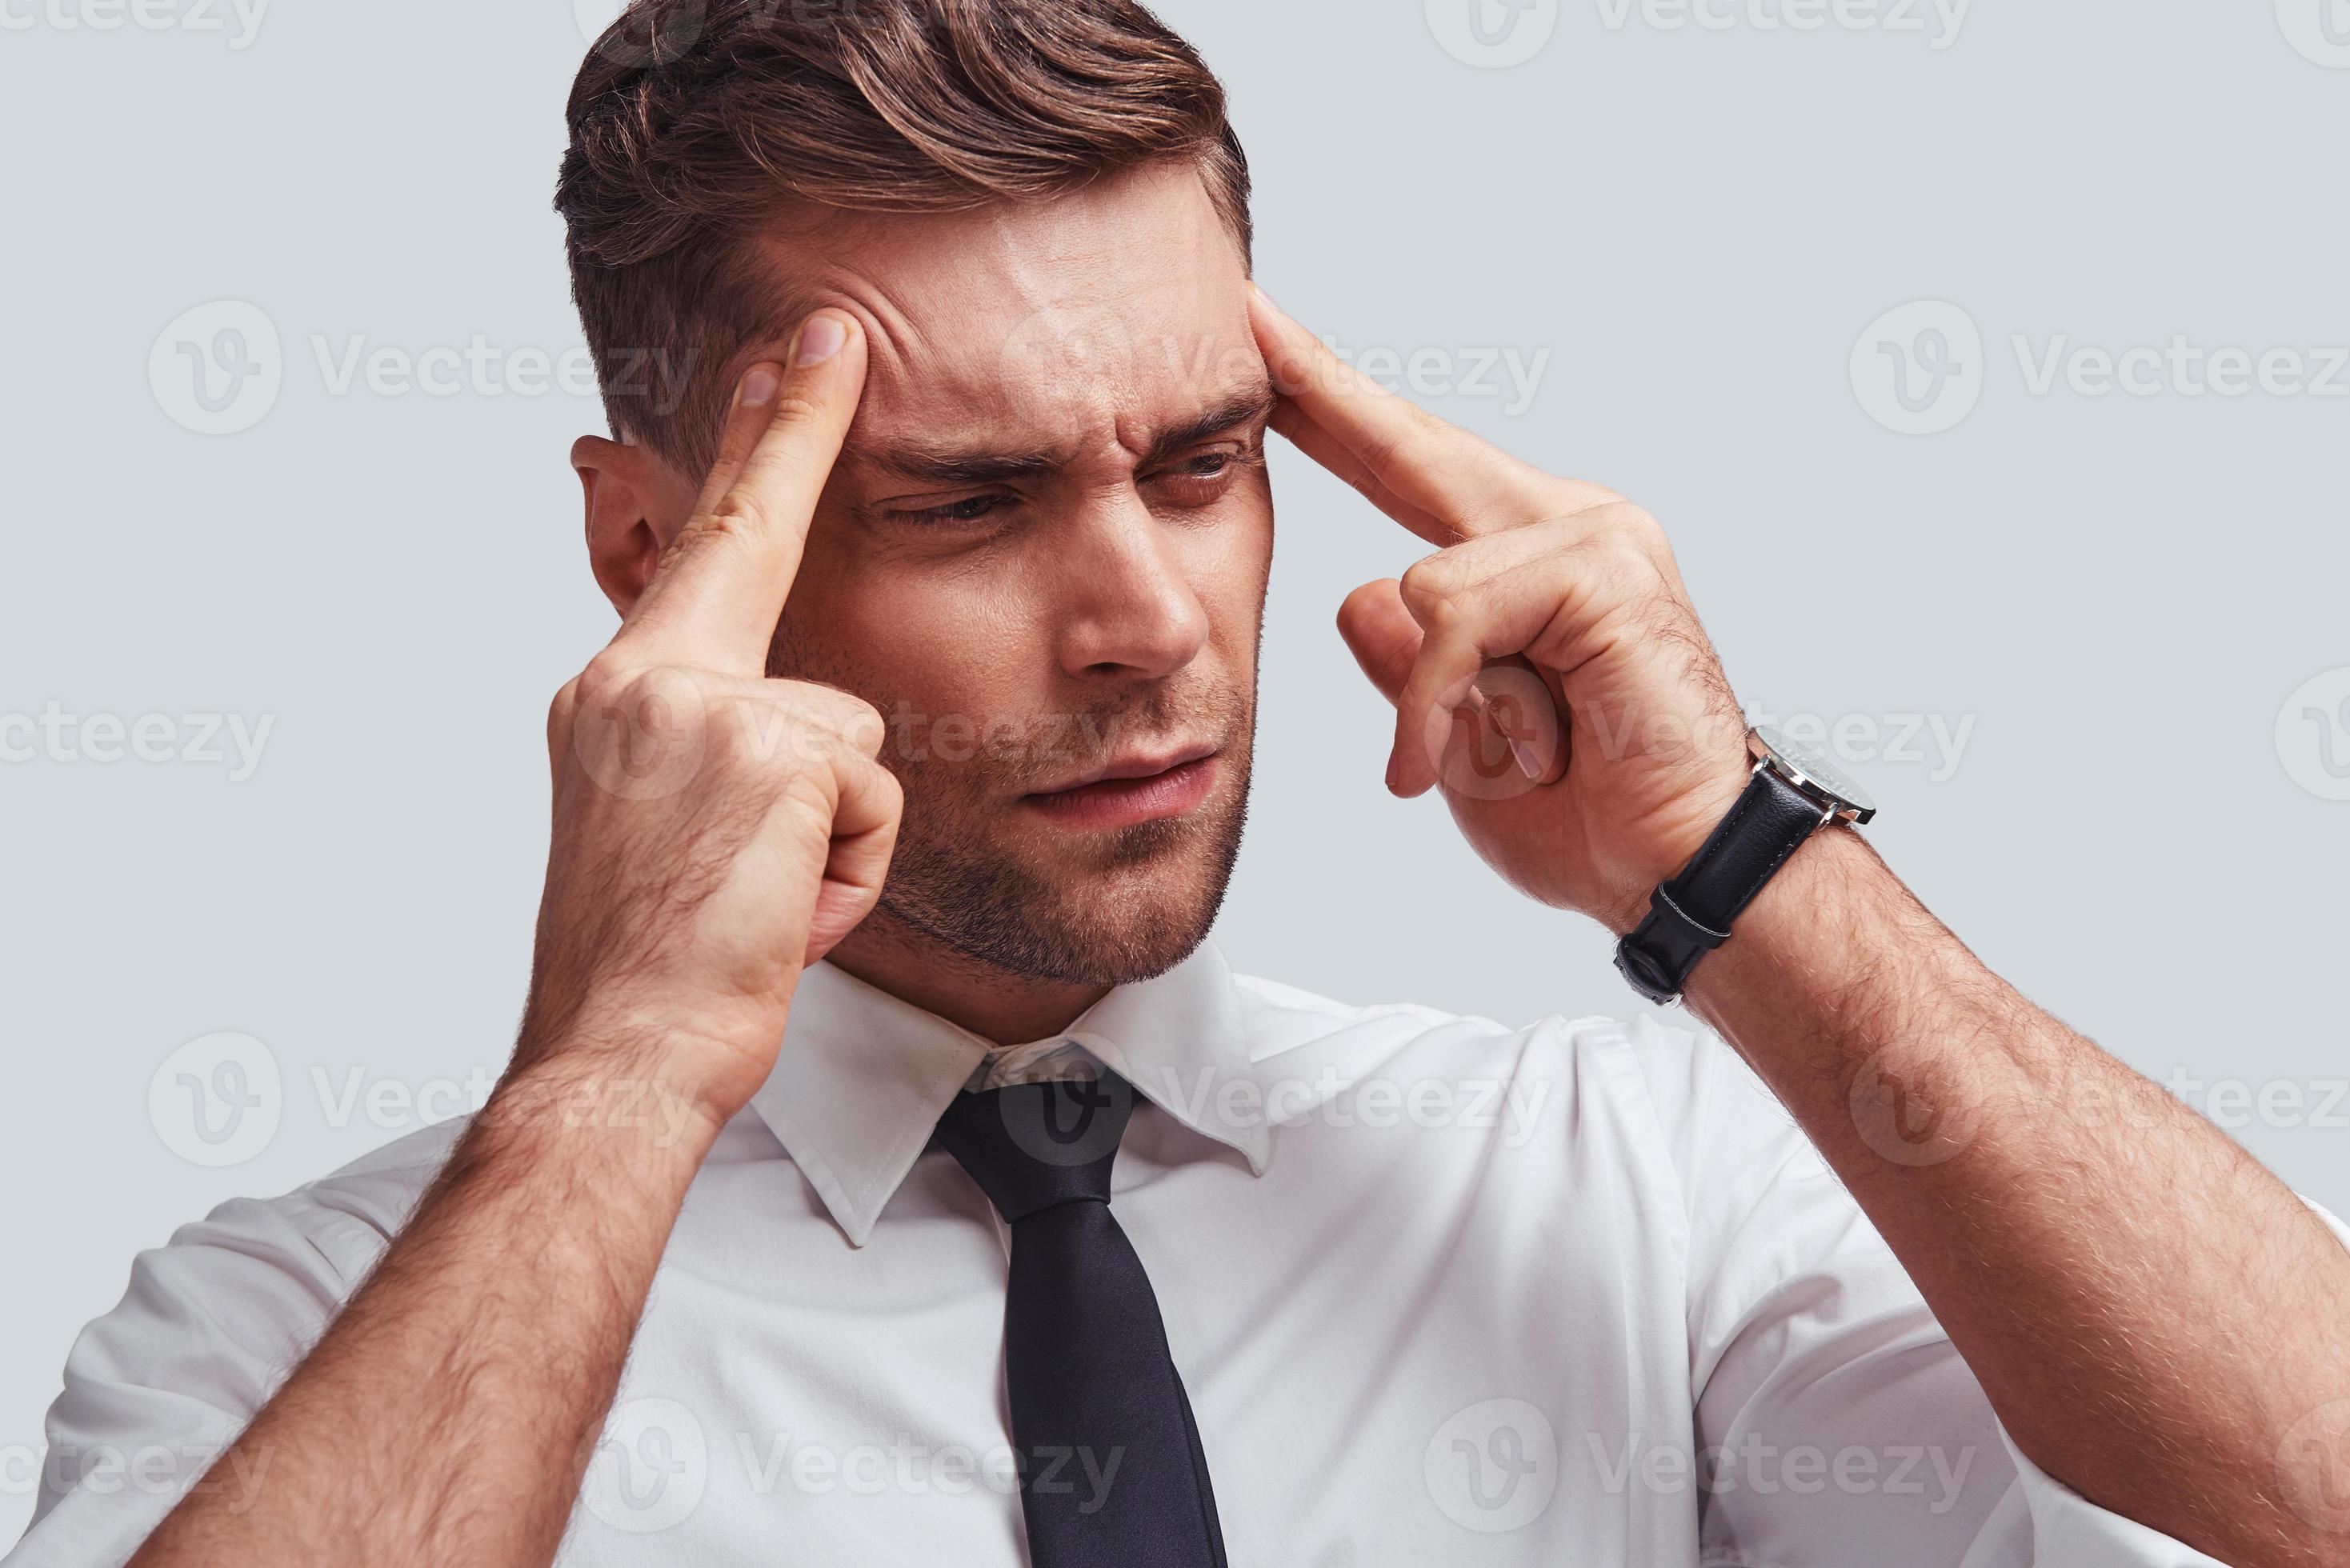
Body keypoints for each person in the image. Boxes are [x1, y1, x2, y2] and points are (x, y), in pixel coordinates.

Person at [14, 2, 2348, 1565]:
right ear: (654, 553)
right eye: (968, 501)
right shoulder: (285, 1333)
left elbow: (2307, 1485)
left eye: (1202, 460)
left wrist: (1732, 858)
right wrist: (619, 1069)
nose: (1149, 621)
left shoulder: (1625, 1182)